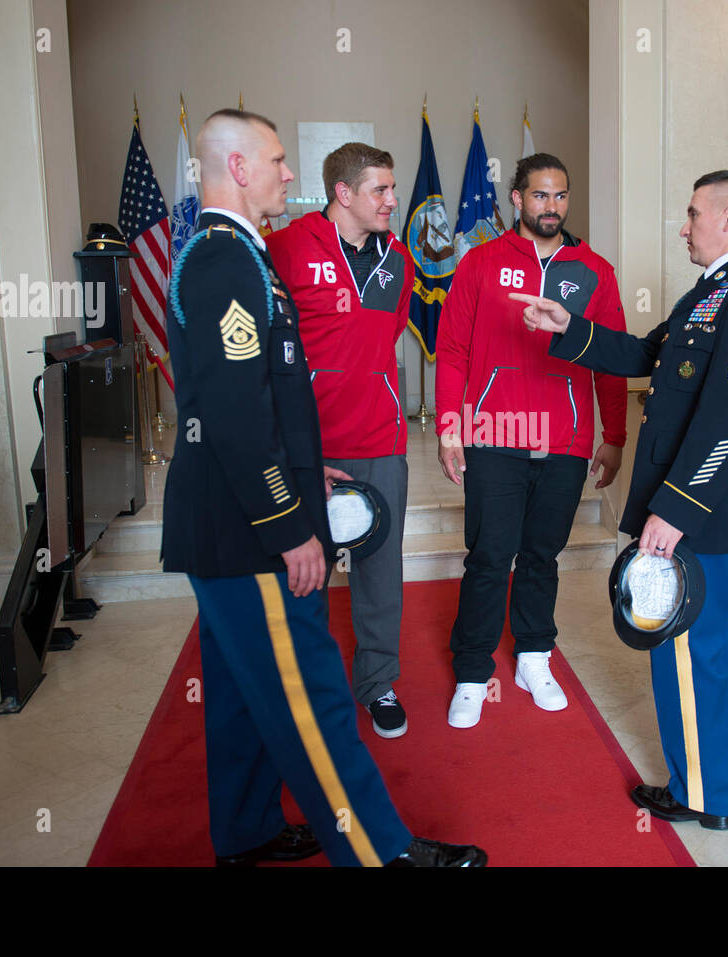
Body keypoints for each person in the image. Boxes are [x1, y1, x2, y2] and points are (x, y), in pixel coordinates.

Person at [161, 108, 484, 867]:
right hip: (248, 530)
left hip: (229, 521)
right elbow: (239, 420)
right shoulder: (227, 261)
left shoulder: (237, 255)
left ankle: (246, 834)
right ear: (238, 168)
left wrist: (312, 472)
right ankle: (380, 851)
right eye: (276, 160)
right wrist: (289, 520)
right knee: (313, 696)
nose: (288, 174)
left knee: (241, 695)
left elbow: (266, 401)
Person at [514, 170, 728, 829]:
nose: (683, 226)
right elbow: (646, 352)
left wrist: (675, 511)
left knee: (690, 653)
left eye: (693, 214)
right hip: (707, 512)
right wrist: (571, 328)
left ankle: (702, 792)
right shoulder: (711, 293)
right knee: (725, 634)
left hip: (696, 510)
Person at [434, 152, 628, 729]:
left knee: (543, 555)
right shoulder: (480, 264)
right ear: (517, 198)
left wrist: (613, 436)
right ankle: (472, 671)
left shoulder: (594, 270)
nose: (552, 206)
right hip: (494, 433)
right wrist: (450, 425)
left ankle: (533, 656)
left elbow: (612, 360)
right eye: (541, 195)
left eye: (561, 196)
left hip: (565, 440)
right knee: (491, 556)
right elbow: (454, 351)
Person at [266, 143, 414, 739]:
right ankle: (306, 684)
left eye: (392, 188)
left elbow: (389, 333)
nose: (393, 200)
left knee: (381, 569)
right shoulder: (287, 247)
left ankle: (378, 682)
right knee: (305, 568)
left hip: (381, 437)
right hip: (309, 443)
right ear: (343, 193)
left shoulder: (399, 259)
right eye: (380, 190)